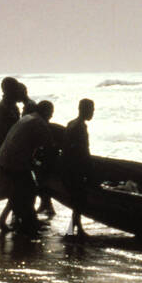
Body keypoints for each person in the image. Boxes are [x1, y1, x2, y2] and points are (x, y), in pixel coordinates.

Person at [0, 99, 54, 236]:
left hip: (4, 158)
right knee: (30, 191)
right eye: (51, 113)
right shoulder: (40, 123)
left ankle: (3, 220)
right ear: (46, 112)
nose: (51, 116)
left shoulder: (28, 117)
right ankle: (29, 223)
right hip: (14, 162)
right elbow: (49, 149)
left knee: (18, 192)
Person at [0, 78, 32, 231]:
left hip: (7, 151)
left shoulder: (11, 107)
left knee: (16, 188)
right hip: (4, 153)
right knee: (16, 187)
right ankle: (5, 219)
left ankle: (8, 218)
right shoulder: (2, 108)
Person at [62, 98, 95, 238]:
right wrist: (90, 168)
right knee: (78, 199)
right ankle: (76, 228)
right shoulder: (80, 127)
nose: (92, 113)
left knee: (76, 199)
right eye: (91, 109)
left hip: (68, 165)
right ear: (84, 110)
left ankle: (73, 228)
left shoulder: (71, 123)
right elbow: (83, 150)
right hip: (76, 167)